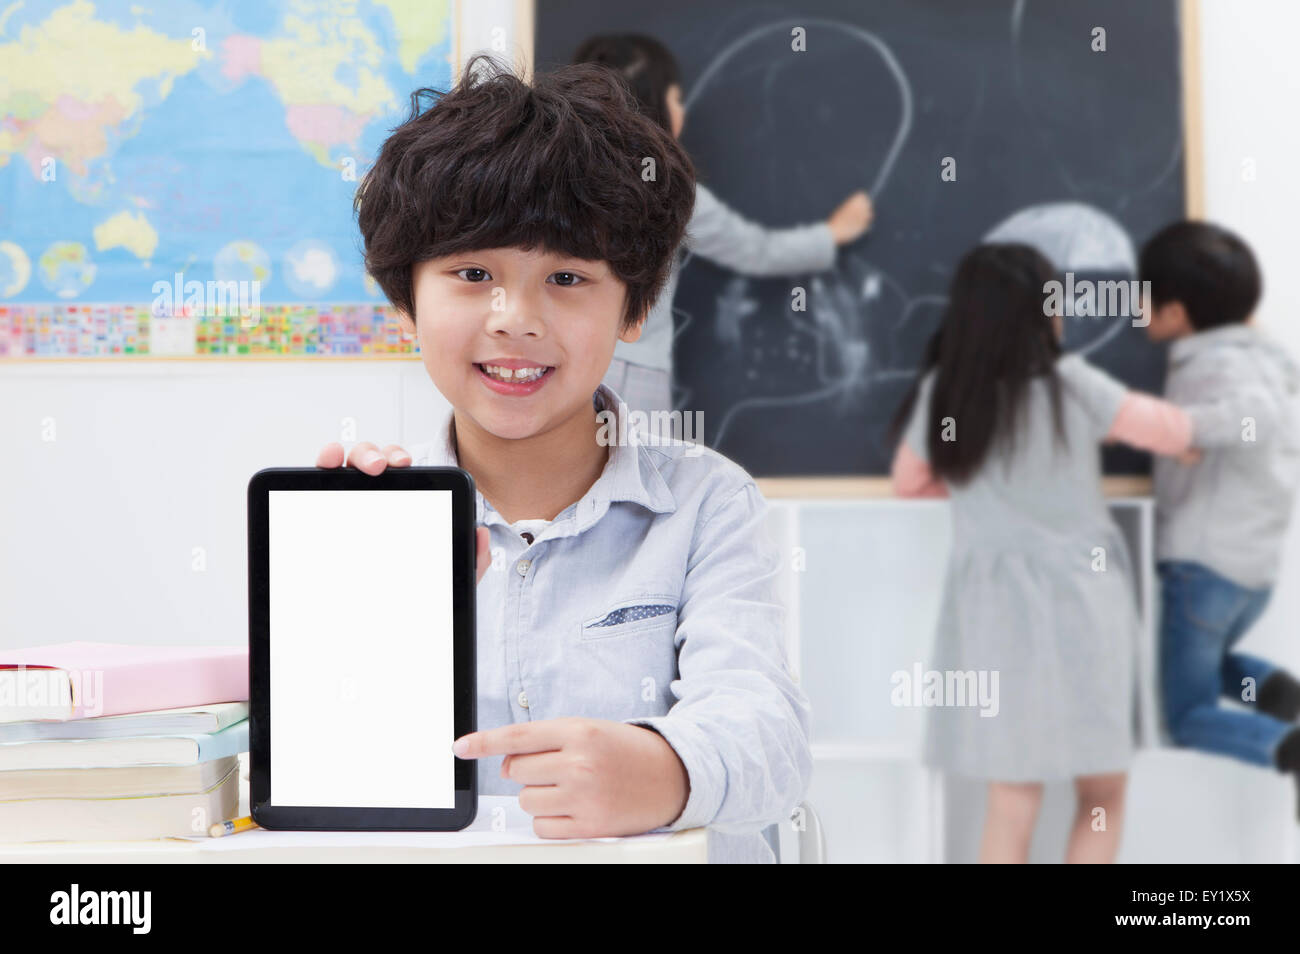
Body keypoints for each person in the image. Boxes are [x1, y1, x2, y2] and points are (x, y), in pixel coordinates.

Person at [319, 55, 811, 863]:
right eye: (473, 274)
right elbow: (326, 773)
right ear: (408, 298)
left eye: (568, 277)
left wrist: (665, 769)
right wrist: (347, 600)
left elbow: (769, 733)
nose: (515, 318)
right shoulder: (376, 514)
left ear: (635, 308)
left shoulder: (705, 502)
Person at [891, 243, 1196, 862]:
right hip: (1086, 599)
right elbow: (1170, 431)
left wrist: (981, 491)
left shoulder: (946, 395)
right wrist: (1193, 450)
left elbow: (911, 482)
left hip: (995, 611)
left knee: (1012, 794)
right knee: (1103, 786)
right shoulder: (1070, 384)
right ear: (1040, 312)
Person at [572, 33, 874, 427]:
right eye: (676, 98)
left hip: (557, 364)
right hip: (633, 376)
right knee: (635, 483)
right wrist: (831, 233)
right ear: (652, 106)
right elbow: (755, 250)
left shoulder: (555, 179)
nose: (682, 110)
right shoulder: (669, 190)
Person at [1139, 221, 1300, 814]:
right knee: (1205, 663)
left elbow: (1247, 415)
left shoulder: (1220, 366)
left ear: (1176, 313)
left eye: (1142, 294)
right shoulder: (1262, 357)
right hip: (1249, 570)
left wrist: (1181, 429)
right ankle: (1275, 689)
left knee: (1185, 713)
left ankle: (1287, 745)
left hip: (1202, 567)